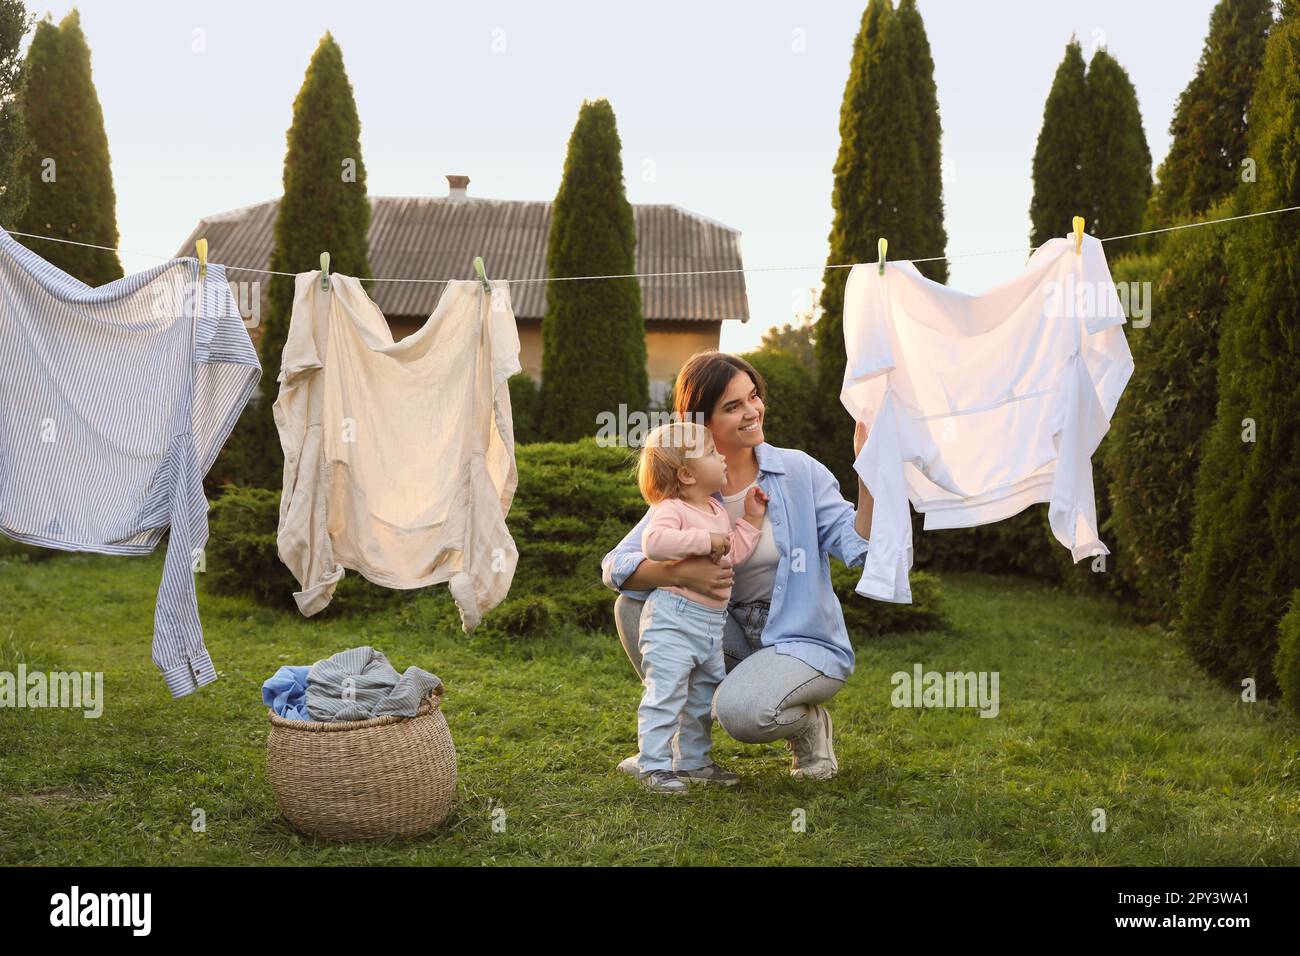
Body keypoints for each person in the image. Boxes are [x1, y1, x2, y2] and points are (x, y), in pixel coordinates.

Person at [601, 350, 873, 780]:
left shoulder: (798, 472)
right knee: (634, 606)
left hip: (799, 641)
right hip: (725, 634)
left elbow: (859, 547)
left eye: (753, 397)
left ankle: (808, 727)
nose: (752, 412)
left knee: (742, 714)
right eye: (733, 406)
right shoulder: (688, 489)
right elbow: (617, 565)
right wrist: (678, 573)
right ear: (701, 424)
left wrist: (869, 471)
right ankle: (679, 748)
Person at [630, 421, 767, 793]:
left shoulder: (714, 509)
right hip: (673, 619)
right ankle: (654, 765)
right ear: (687, 474)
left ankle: (692, 760)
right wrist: (705, 540)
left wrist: (751, 519)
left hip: (710, 626)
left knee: (702, 697)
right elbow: (654, 544)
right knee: (667, 693)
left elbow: (731, 553)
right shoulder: (670, 508)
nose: (721, 455)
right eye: (710, 453)